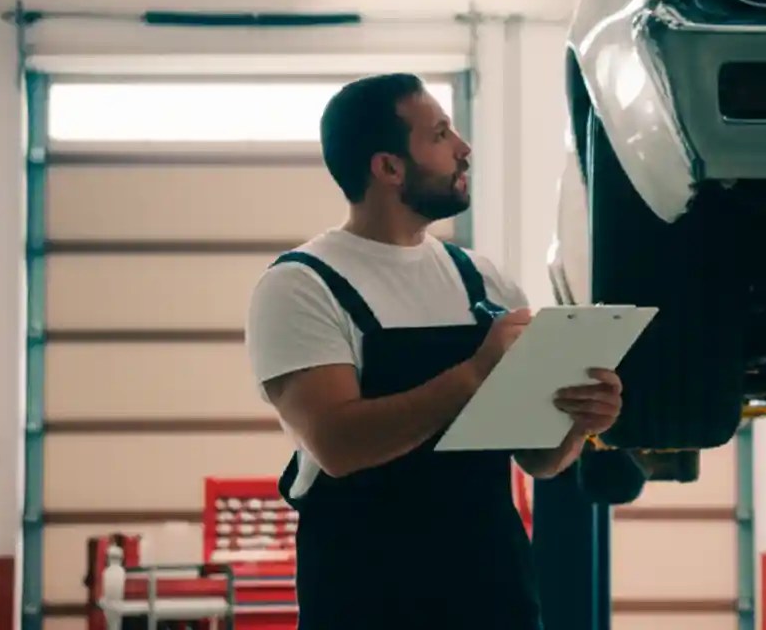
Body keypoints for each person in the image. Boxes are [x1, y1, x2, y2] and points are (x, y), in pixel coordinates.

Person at [244, 73, 624, 629]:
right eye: (441, 135)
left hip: (493, 588)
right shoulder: (302, 285)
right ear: (389, 168)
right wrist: (474, 374)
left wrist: (580, 421)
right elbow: (337, 444)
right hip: (368, 596)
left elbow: (537, 459)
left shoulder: (483, 279)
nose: (463, 149)